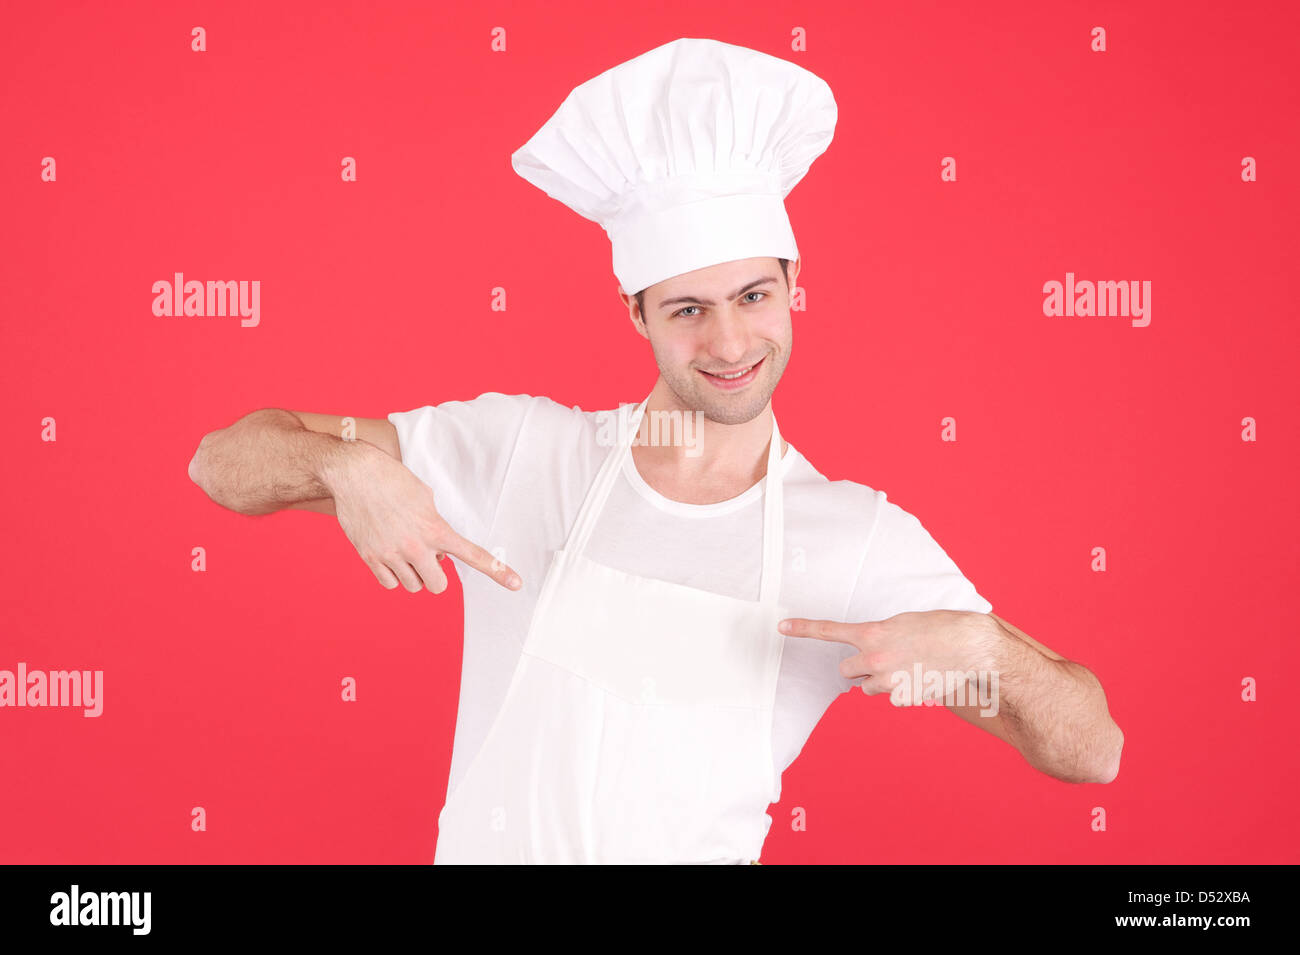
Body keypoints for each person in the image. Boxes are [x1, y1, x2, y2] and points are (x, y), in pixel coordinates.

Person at [187, 38, 1123, 864]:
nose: (729, 344)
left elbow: (1092, 751)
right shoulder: (524, 452)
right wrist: (343, 466)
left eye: (755, 296)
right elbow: (222, 462)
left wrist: (987, 648)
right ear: (635, 311)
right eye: (687, 309)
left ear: (796, 284)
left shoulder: (855, 538)